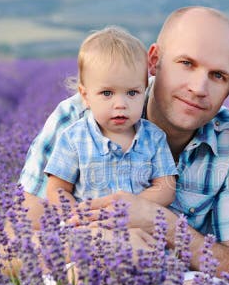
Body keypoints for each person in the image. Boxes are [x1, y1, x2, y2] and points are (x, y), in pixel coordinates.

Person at [19, 7, 229, 284]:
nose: (198, 87)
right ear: (154, 60)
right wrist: (100, 244)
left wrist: (160, 223)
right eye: (186, 63)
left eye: (217, 75)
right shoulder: (77, 119)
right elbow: (13, 246)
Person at [44, 27, 177, 217]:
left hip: (138, 225)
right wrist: (76, 214)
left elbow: (166, 189)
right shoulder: (74, 138)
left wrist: (127, 207)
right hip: (89, 229)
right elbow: (57, 189)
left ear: (145, 91)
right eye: (107, 93)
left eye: (132, 93)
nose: (121, 104)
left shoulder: (154, 138)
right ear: (85, 96)